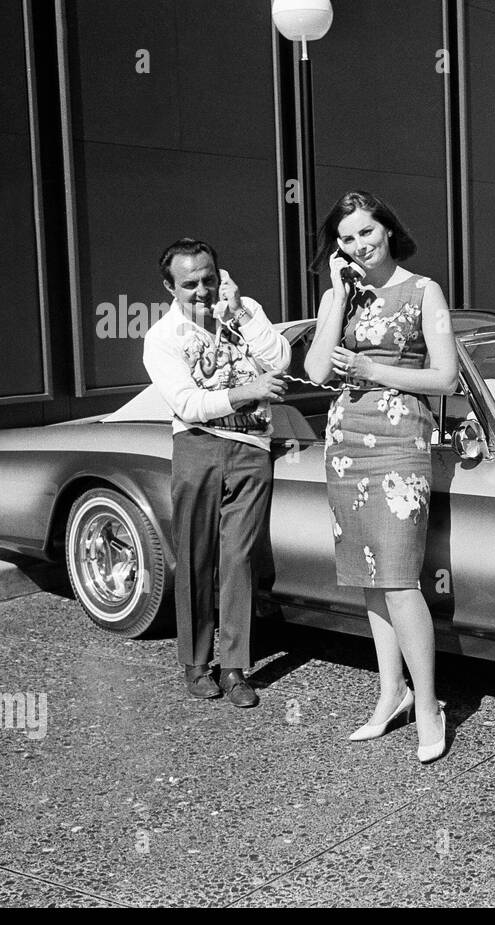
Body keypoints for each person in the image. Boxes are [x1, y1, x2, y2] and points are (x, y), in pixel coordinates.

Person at [303, 192, 457, 761]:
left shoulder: (424, 292)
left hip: (399, 442)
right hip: (345, 444)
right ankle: (390, 693)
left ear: (388, 231)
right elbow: (317, 370)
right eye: (347, 239)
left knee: (400, 578)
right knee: (369, 576)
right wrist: (339, 300)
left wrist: (371, 368)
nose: (359, 245)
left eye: (368, 232)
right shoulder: (337, 296)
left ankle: (428, 704)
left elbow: (444, 378)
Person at [143, 238, 290, 708]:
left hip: (251, 449)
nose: (202, 290)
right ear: (170, 287)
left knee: (239, 559)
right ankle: (194, 663)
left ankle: (234, 668)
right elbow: (188, 404)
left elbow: (282, 359)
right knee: (195, 557)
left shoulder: (243, 311)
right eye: (190, 284)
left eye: (209, 278)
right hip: (197, 446)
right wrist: (250, 390)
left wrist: (240, 310)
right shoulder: (162, 338)